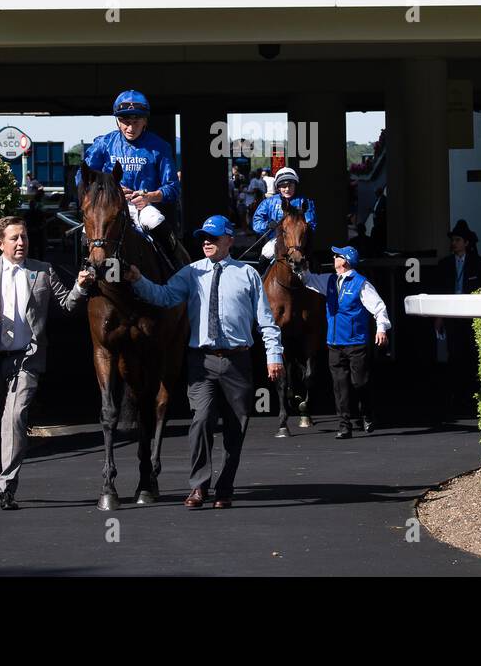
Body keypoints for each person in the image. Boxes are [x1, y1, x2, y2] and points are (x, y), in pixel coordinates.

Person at [125, 214, 282, 509]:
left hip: (238, 361)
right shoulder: (190, 273)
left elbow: (266, 320)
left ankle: (224, 488)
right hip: (202, 361)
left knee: (236, 429)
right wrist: (138, 280)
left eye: (213, 237)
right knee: (200, 421)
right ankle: (199, 486)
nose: (206, 242)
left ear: (229, 241)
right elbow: (163, 296)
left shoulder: (247, 275)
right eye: (203, 238)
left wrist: (274, 355)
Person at [0, 215, 93, 510]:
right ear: (0, 243)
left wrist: (81, 286)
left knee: (16, 417)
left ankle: (8, 485)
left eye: (24, 237)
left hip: (28, 359)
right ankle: (0, 474)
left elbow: (68, 305)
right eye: (15, 238)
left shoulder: (42, 271)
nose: (22, 243)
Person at [76, 89, 183, 268]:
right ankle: (82, 281)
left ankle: (177, 270)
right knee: (84, 235)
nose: (131, 128)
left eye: (136, 121)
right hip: (109, 207)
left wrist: (150, 196)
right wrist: (107, 192)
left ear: (145, 121)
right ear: (118, 121)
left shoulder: (160, 147)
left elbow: (173, 187)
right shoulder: (103, 144)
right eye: (126, 122)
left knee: (156, 222)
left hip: (143, 208)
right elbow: (82, 178)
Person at [301, 245, 390, 438]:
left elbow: (378, 307)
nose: (333, 257)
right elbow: (309, 280)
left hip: (356, 342)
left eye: (337, 256)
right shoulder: (330, 280)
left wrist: (381, 328)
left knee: (359, 382)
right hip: (334, 342)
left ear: (346, 261)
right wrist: (302, 267)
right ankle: (344, 425)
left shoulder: (360, 283)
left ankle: (367, 412)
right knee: (339, 385)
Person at [434, 221, 481, 418]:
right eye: (453, 240)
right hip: (452, 312)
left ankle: (471, 395)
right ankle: (456, 396)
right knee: (454, 352)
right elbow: (440, 290)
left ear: (466, 242)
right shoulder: (445, 264)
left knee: (471, 353)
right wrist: (439, 316)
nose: (454, 243)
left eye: (457, 240)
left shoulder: (478, 263)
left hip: (470, 312)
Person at [252, 167, 317, 261]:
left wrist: (298, 231)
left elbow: (312, 224)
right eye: (283, 186)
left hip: (299, 241)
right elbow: (256, 223)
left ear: (295, 185)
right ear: (278, 187)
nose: (287, 189)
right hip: (276, 239)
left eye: (290, 185)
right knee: (265, 254)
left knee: (310, 264)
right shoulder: (268, 202)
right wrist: (267, 225)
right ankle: (261, 275)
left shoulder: (304, 201)